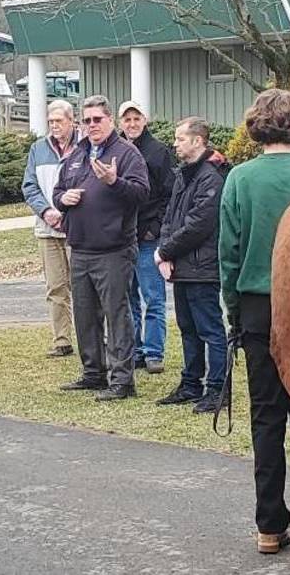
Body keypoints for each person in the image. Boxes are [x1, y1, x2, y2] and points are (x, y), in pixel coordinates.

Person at [219, 89, 290, 554]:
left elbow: (229, 253)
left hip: (258, 305)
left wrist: (232, 308)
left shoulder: (240, 180)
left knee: (266, 417)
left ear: (255, 128)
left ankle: (269, 523)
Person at [53, 95, 150, 401]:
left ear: (110, 121)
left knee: (116, 314)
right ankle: (93, 372)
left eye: (98, 119)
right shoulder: (77, 154)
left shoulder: (127, 154)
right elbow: (58, 190)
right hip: (80, 247)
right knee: (85, 315)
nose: (92, 125)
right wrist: (61, 199)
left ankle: (122, 380)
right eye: (87, 120)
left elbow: (141, 194)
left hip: (114, 248)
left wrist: (113, 181)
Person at [154, 117, 228, 414]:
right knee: (188, 327)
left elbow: (200, 224)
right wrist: (165, 250)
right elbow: (170, 216)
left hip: (203, 268)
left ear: (198, 140)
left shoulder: (211, 177)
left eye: (180, 138)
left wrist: (164, 251)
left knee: (210, 329)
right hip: (183, 266)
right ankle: (190, 383)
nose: (175, 143)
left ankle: (217, 389)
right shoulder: (184, 175)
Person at [119, 101, 174, 375]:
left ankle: (154, 351)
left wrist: (156, 228)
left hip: (148, 236)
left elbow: (169, 194)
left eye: (136, 118)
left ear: (145, 120)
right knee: (128, 298)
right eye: (126, 119)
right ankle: (136, 350)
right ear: (120, 123)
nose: (131, 124)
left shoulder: (158, 151)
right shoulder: (115, 152)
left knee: (153, 297)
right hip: (121, 237)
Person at [22, 100, 79, 358]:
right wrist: (47, 211)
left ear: (71, 121)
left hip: (78, 230)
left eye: (59, 121)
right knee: (55, 287)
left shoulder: (84, 147)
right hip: (47, 229)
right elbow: (29, 186)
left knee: (83, 288)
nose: (55, 126)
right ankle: (62, 341)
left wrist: (67, 214)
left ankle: (95, 339)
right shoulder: (38, 149)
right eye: (51, 122)